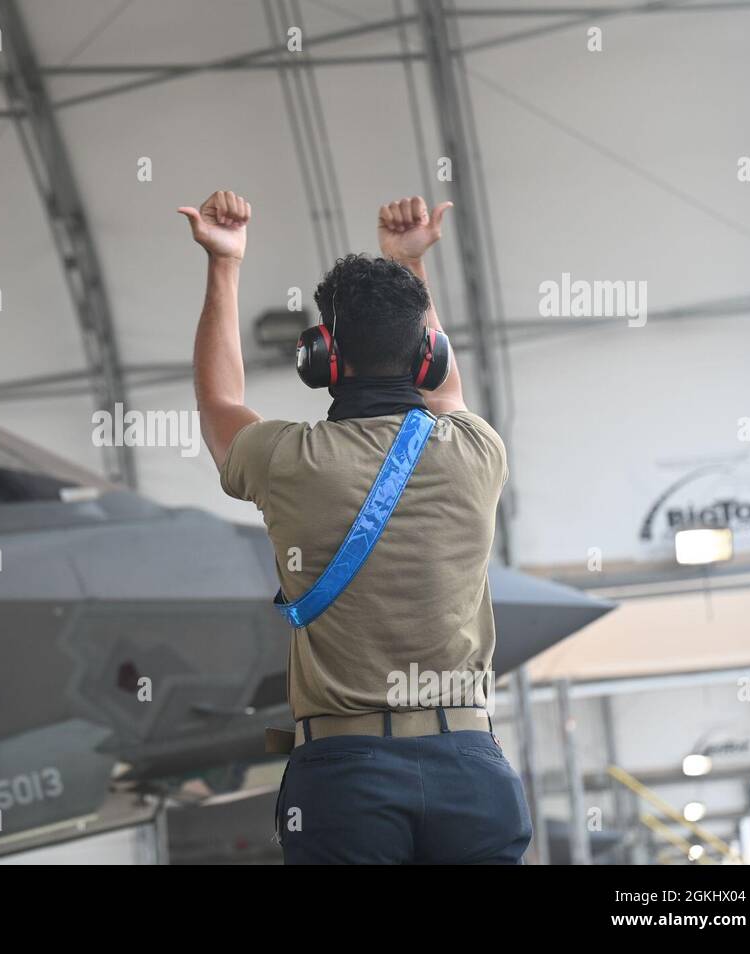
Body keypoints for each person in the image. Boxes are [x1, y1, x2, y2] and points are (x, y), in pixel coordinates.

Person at [179, 190, 532, 864]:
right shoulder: (476, 451)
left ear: (322, 358)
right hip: (470, 769)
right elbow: (443, 389)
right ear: (426, 353)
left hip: (345, 777)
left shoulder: (288, 460)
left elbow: (220, 400)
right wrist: (411, 263)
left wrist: (224, 264)